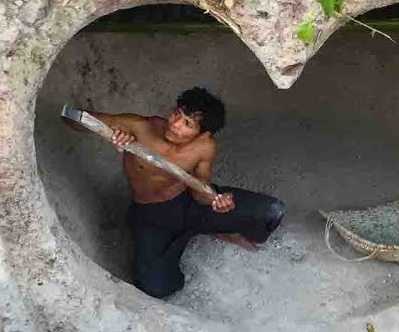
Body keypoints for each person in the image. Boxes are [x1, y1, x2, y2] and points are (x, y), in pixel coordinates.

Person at [74, 87, 285, 298]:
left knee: (272, 211)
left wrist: (216, 202)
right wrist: (112, 133)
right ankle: (189, 235)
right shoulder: (140, 127)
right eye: (177, 114)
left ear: (203, 133)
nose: (174, 125)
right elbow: (73, 118)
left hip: (188, 204)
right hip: (151, 217)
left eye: (187, 124)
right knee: (156, 288)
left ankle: (220, 229)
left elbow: (200, 190)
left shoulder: (205, 146)